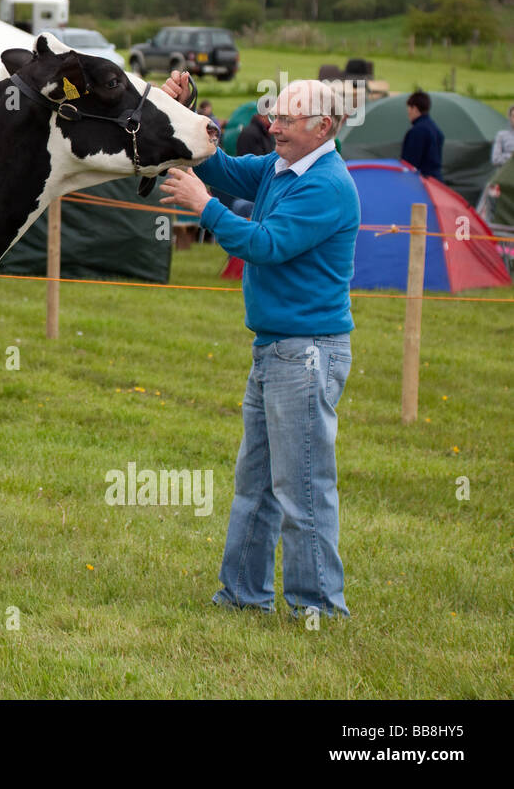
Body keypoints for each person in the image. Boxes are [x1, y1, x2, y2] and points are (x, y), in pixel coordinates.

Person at [159, 74, 359, 619]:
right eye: (274, 116)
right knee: (256, 486)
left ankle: (316, 608)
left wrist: (206, 209)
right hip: (278, 350)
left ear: (324, 126)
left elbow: (266, 245)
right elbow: (218, 165)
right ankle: (243, 596)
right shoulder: (281, 167)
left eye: (287, 121)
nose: (273, 127)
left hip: (306, 353)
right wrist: (185, 113)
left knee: (303, 491)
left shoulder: (327, 186)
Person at [400, 91, 444, 179]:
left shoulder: (417, 131)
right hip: (436, 182)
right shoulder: (436, 129)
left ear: (415, 109)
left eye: (409, 108)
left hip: (422, 184)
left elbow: (410, 164)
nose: (408, 112)